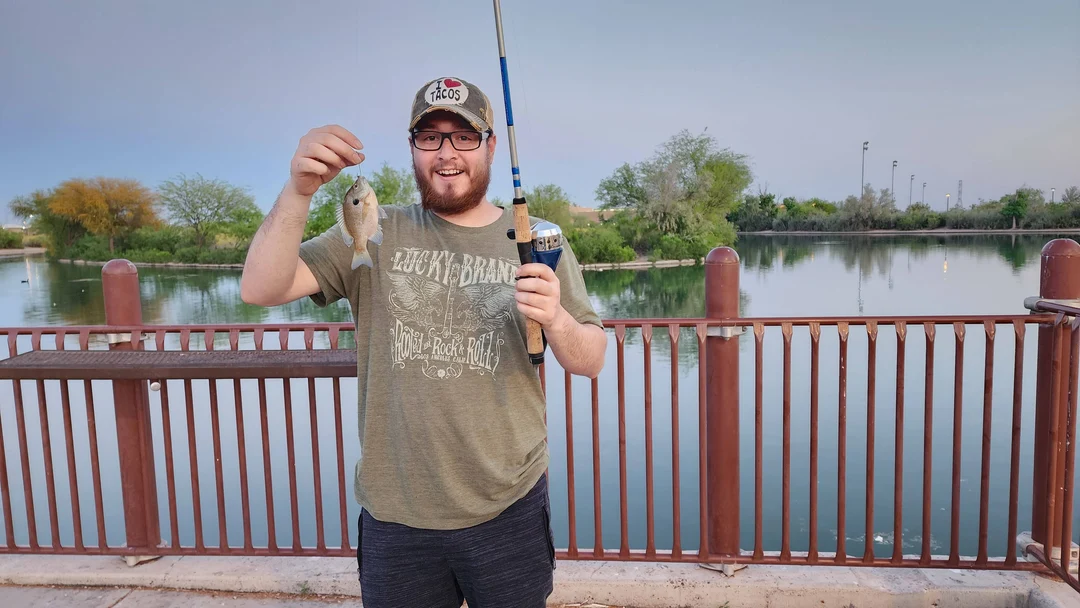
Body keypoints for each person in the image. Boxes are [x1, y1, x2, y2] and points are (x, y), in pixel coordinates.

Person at [239, 76, 607, 607]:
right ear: (413, 148)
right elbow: (261, 287)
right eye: (429, 137)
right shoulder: (372, 227)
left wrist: (558, 321)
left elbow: (591, 359)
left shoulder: (538, 240)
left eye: (463, 137)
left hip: (510, 505)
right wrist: (299, 190)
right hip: (397, 517)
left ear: (490, 146)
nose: (446, 153)